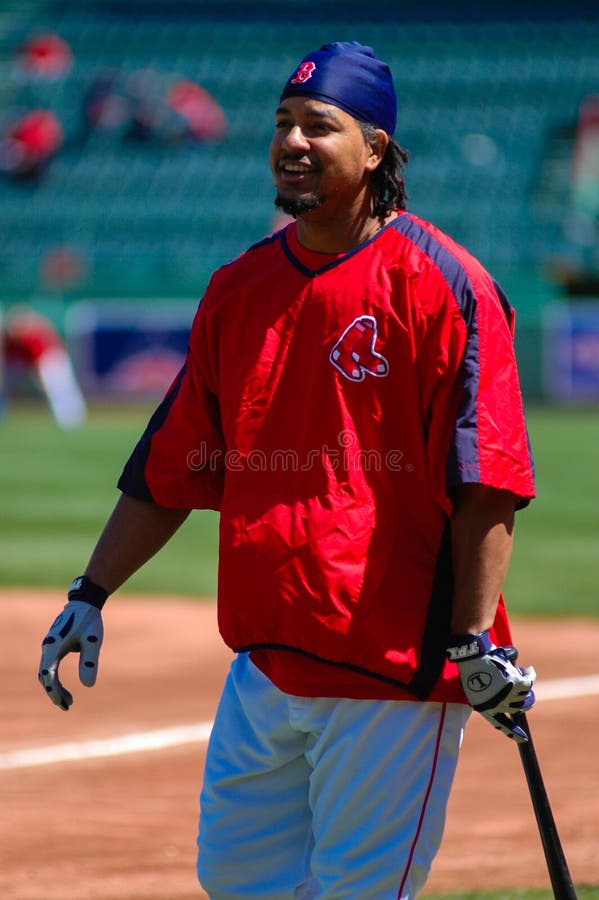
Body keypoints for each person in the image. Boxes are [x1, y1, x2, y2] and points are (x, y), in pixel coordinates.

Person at [38, 42, 536, 898]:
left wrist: (472, 638)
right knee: (235, 885)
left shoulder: (443, 283)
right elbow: (171, 465)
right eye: (282, 124)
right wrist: (91, 590)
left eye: (320, 126)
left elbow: (485, 480)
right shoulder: (238, 288)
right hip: (264, 669)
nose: (293, 142)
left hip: (392, 677)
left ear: (375, 149)